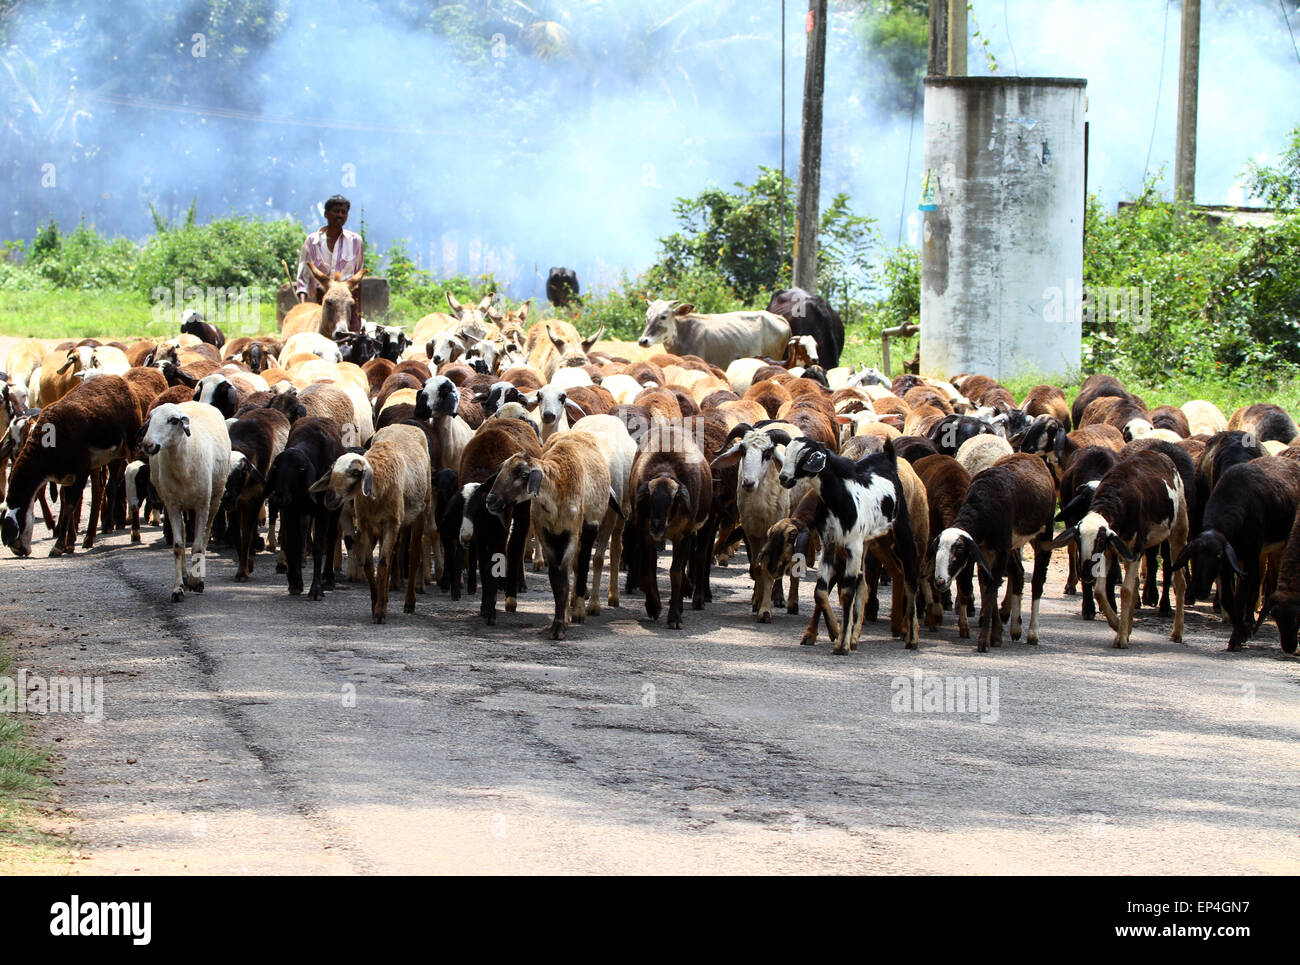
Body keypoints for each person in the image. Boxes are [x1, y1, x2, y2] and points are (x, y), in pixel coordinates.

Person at [295, 194, 364, 332]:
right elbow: (302, 277)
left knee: (351, 343)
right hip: (321, 300)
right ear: (326, 214)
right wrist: (303, 307)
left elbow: (358, 276)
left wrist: (358, 312)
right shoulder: (312, 241)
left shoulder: (355, 241)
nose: (340, 215)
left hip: (346, 302)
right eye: (336, 211)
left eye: (344, 212)